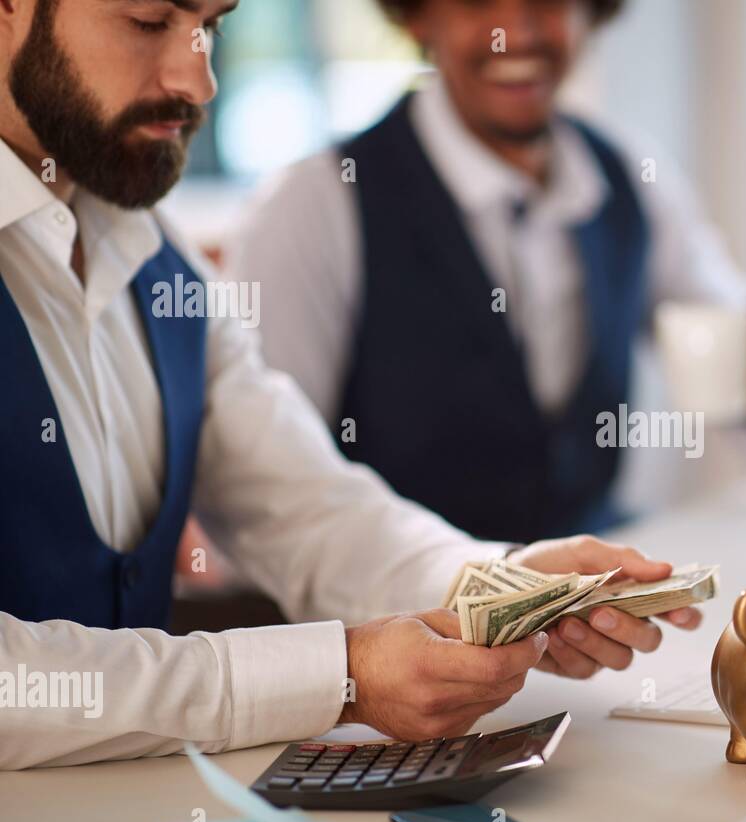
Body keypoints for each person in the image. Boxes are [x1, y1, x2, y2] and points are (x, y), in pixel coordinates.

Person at [0, 0, 699, 771]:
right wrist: (336, 676)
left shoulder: (156, 255)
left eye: (213, 25)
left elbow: (305, 507)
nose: (198, 81)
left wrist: (497, 587)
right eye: (148, 21)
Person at [228, 0, 746, 545]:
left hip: (599, 612)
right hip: (406, 634)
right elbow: (266, 498)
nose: (515, 32)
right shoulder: (315, 206)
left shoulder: (631, 179)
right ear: (416, 16)